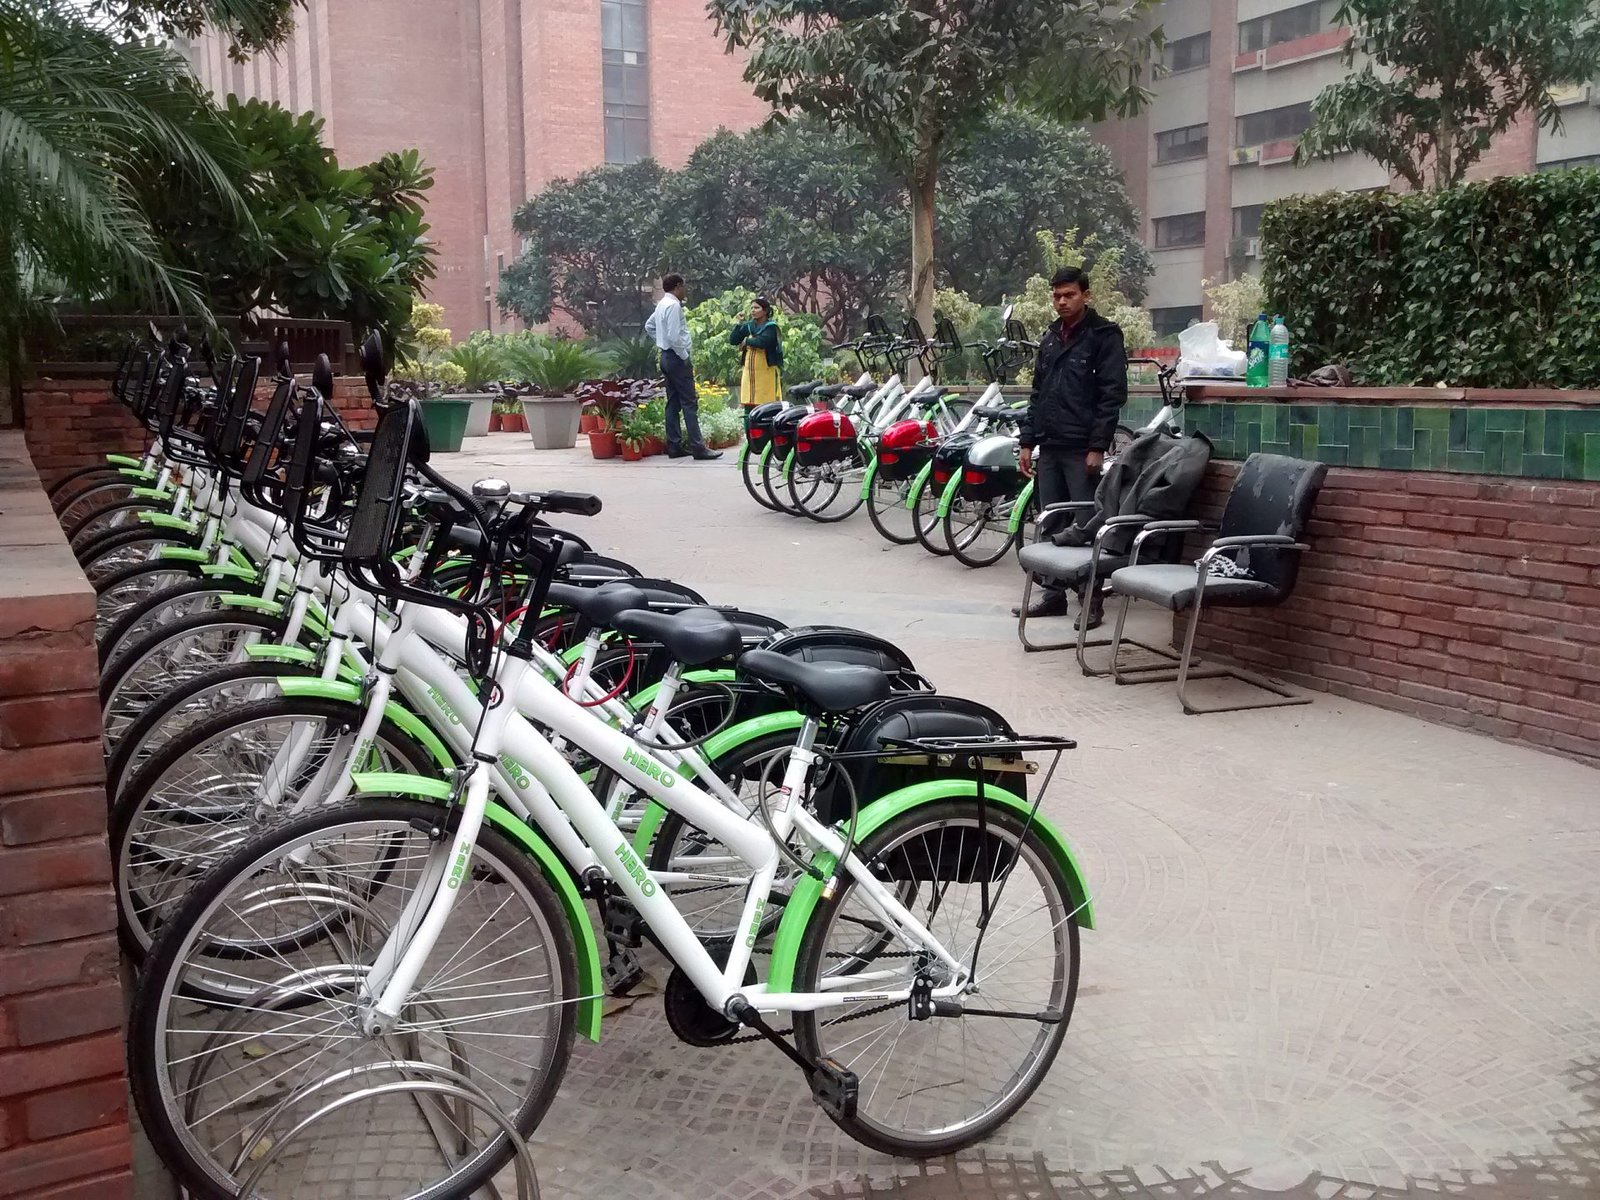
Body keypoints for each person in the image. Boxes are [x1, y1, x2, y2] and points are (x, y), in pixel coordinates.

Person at [1014, 266, 1128, 628]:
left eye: (1069, 295)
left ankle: (1090, 601)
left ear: (1086, 295)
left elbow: (1112, 396)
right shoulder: (1050, 337)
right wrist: (1027, 441)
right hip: (1050, 444)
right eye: (1057, 296)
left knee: (1084, 525)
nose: (1062, 302)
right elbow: (1038, 394)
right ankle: (1053, 595)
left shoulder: (1104, 336)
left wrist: (1097, 446)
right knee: (1050, 521)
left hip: (1081, 448)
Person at [643, 273, 720, 460]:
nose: (684, 291)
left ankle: (674, 446)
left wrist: (660, 342)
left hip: (666, 357)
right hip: (677, 359)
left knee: (673, 403)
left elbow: (649, 326)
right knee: (689, 402)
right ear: (677, 286)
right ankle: (698, 447)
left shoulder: (661, 304)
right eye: (683, 287)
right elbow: (674, 336)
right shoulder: (674, 306)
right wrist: (684, 355)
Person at [728, 296, 783, 408]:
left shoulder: (771, 327)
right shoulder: (748, 326)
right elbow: (733, 340)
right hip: (749, 372)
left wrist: (747, 340)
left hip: (765, 371)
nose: (753, 310)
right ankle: (749, 425)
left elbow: (763, 342)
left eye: (756, 308)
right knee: (749, 402)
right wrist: (738, 323)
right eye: (752, 308)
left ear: (765, 311)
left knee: (765, 403)